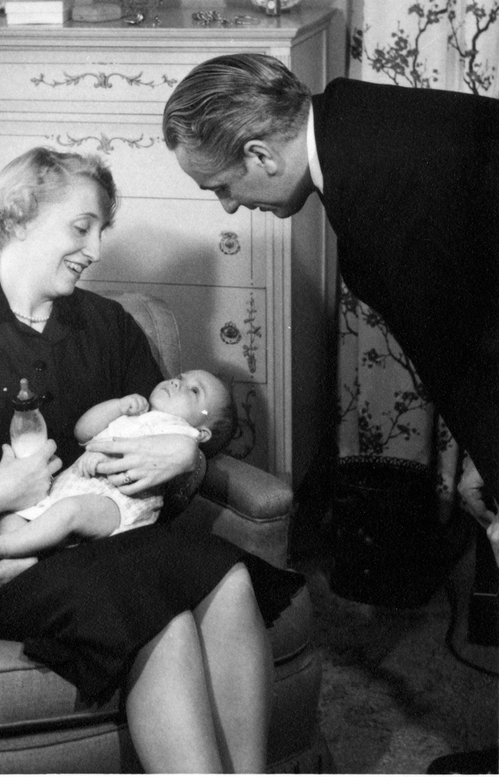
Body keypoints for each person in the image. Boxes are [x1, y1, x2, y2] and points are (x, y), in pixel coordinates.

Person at [0, 146, 301, 773]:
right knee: (163, 613)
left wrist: (185, 456)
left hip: (116, 535)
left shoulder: (110, 326)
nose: (96, 250)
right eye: (81, 228)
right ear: (18, 219)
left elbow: (170, 439)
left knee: (232, 579)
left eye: (102, 230)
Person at [163, 52, 499, 774]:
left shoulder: (385, 180)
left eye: (220, 187)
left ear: (258, 152)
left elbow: (475, 344)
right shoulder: (350, 123)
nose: (226, 206)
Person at [0, 370, 236, 583]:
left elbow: (147, 461)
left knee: (70, 511)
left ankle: (1, 547)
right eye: (179, 377)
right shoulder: (136, 412)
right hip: (66, 490)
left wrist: (103, 459)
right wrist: (117, 406)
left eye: (194, 391)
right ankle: (22, 559)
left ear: (203, 432)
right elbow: (83, 432)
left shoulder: (181, 433)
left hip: (116, 505)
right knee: (15, 508)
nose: (178, 383)